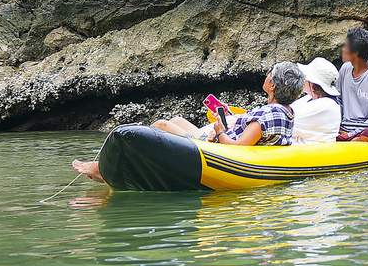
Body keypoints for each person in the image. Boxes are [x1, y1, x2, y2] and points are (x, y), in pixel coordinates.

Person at [70, 62, 305, 183]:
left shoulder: (267, 115)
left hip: (218, 150)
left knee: (162, 125)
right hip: (221, 143)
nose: (265, 76)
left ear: (273, 85)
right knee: (177, 119)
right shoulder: (286, 112)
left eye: (269, 74)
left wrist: (220, 129)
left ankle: (103, 169)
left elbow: (239, 147)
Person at [293, 57, 342, 144]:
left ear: (313, 84)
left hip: (313, 154)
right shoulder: (308, 98)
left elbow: (286, 123)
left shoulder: (327, 105)